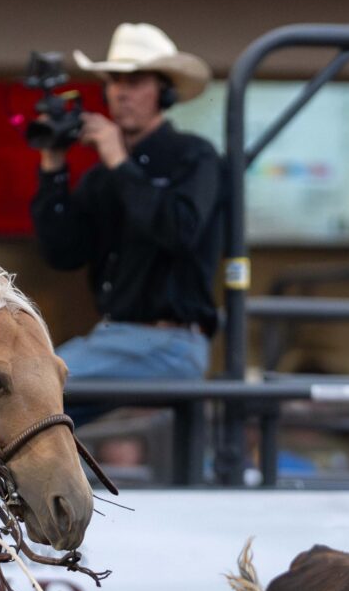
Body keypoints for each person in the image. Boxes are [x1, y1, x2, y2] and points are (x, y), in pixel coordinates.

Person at [30, 23, 222, 388]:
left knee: (35, 386)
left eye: (134, 82)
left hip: (171, 341)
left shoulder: (194, 156)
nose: (121, 93)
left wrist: (119, 159)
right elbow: (63, 253)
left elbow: (179, 231)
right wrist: (52, 166)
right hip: (113, 339)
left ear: (164, 92)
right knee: (32, 418)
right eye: (114, 81)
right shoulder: (104, 177)